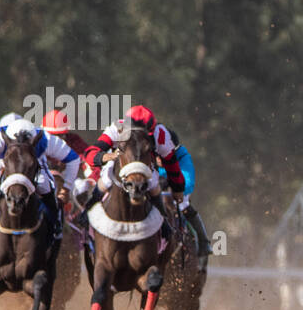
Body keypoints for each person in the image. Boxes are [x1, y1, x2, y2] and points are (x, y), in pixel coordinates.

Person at [80, 105, 212, 262]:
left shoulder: (160, 134)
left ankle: (164, 227)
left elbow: (172, 165)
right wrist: (102, 157)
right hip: (120, 163)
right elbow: (90, 152)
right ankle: (87, 213)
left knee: (153, 184)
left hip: (144, 167)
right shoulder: (117, 128)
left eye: (147, 135)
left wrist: (177, 189)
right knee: (106, 178)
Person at [0, 115, 80, 242]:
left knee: (43, 184)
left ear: (34, 138)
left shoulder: (45, 138)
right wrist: (5, 163)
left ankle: (54, 222)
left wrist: (66, 188)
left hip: (32, 165)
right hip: (6, 165)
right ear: (8, 139)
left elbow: (74, 159)